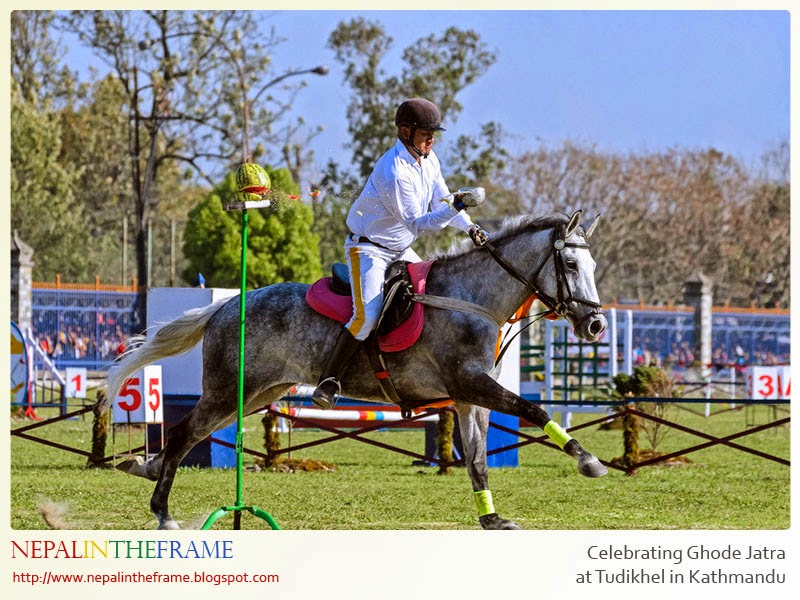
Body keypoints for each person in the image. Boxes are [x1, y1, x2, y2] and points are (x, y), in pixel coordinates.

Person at [311, 97, 489, 409]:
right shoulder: (393, 170)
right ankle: (330, 379)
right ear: (405, 132)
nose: (431, 139)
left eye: (433, 133)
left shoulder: (429, 160)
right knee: (366, 316)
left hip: (401, 247)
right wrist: (458, 206)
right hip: (369, 249)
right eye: (425, 133)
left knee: (434, 297)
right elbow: (421, 223)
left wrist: (470, 226)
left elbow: (442, 201)